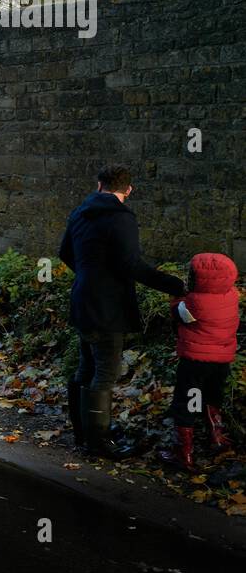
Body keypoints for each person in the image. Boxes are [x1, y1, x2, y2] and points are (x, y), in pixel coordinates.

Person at [58, 165, 186, 459]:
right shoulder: (121, 218)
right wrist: (174, 284)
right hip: (108, 306)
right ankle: (98, 443)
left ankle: (84, 431)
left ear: (99, 184)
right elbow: (132, 265)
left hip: (82, 299)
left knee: (86, 367)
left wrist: (90, 276)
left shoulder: (80, 212)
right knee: (104, 372)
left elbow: (65, 252)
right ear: (129, 190)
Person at [159, 253, 240, 472]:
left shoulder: (193, 303)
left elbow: (178, 314)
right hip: (221, 362)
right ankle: (217, 438)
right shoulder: (233, 295)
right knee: (212, 396)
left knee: (189, 400)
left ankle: (184, 452)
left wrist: (177, 298)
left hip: (196, 362)